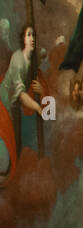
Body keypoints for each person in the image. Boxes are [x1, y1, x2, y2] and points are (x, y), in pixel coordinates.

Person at [0, 23, 44, 186]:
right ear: (22, 39)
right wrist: (38, 107)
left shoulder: (30, 60)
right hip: (2, 104)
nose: (32, 38)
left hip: (9, 110)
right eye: (28, 35)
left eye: (33, 35)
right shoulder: (18, 59)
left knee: (7, 163)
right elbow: (21, 94)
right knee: (3, 159)